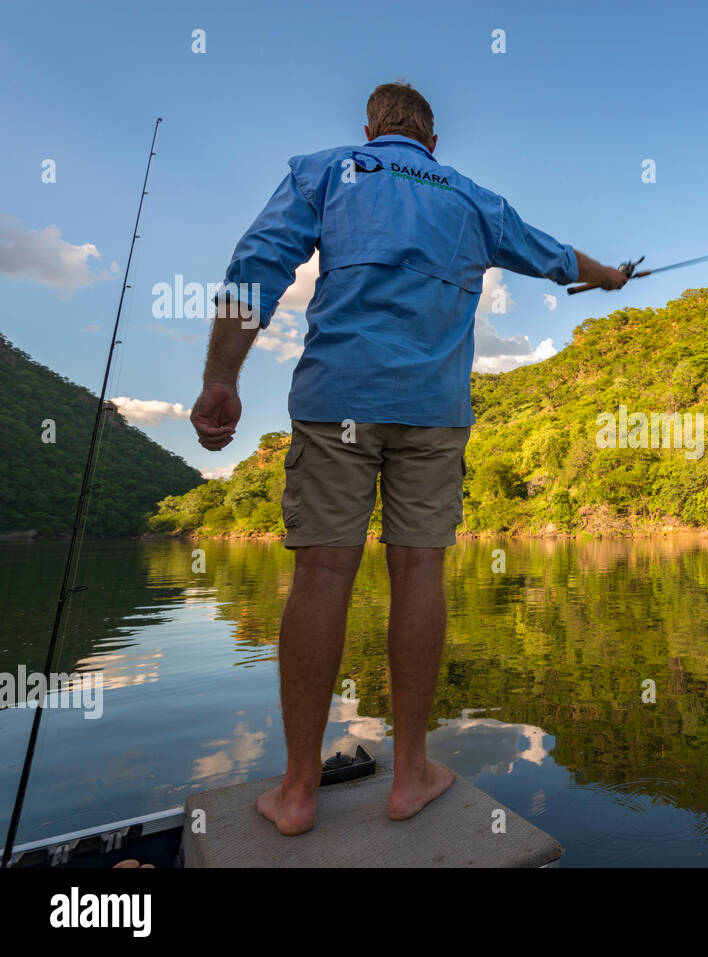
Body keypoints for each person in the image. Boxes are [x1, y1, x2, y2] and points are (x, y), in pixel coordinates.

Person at [190, 81, 628, 835]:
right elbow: (557, 259)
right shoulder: (471, 197)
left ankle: (297, 791)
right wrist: (613, 276)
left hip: (338, 401)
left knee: (324, 570)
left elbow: (257, 265)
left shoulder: (328, 170)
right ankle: (411, 774)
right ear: (433, 142)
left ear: (371, 130)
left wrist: (220, 379)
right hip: (431, 411)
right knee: (419, 568)